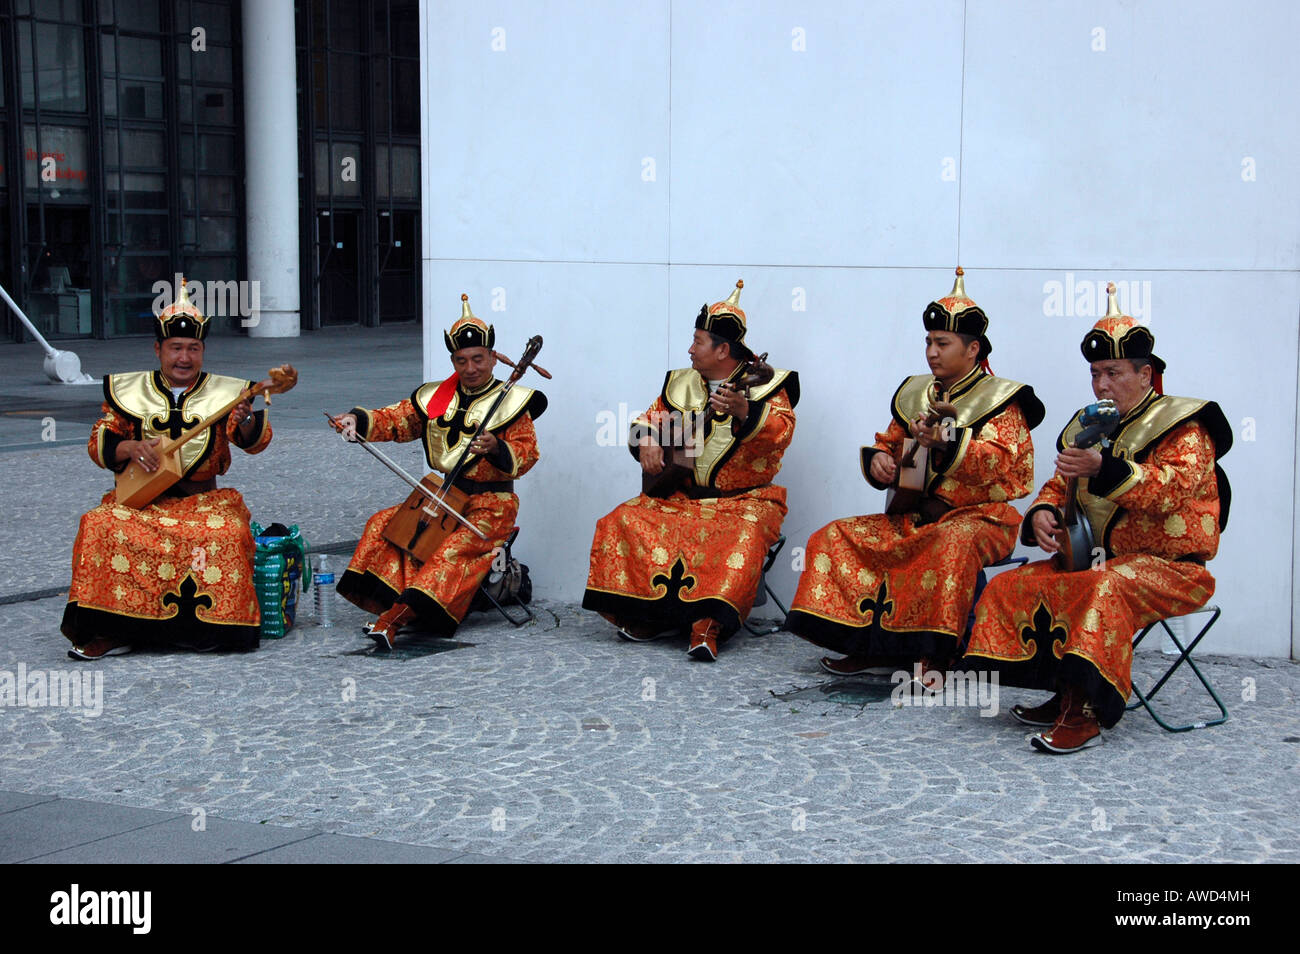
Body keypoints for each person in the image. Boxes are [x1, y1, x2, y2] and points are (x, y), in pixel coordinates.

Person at [963, 286, 1231, 753]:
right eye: (1095, 374)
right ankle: (1065, 691)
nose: (1102, 384)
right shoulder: (1087, 424)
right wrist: (1044, 513)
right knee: (1013, 585)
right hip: (1100, 561)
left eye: (1113, 373)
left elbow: (1171, 490)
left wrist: (1103, 469)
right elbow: (1056, 484)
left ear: (1145, 373)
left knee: (1101, 588)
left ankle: (1085, 713)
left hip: (1172, 568)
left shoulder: (1187, 424)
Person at [784, 269, 1044, 676]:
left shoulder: (1002, 400)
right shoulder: (915, 392)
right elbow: (889, 442)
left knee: (949, 544)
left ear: (973, 349)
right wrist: (880, 461)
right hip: (916, 515)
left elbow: (1002, 461)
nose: (932, 352)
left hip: (981, 518)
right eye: (928, 342)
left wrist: (948, 443)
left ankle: (938, 654)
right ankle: (869, 642)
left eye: (943, 343)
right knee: (833, 536)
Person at [582, 279, 800, 662]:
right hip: (683, 496)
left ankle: (709, 623)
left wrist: (745, 412)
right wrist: (647, 439)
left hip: (744, 502)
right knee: (622, 519)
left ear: (723, 349)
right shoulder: (681, 382)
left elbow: (781, 434)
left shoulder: (767, 386)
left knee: (740, 533)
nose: (690, 349)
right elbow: (646, 420)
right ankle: (649, 614)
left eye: (698, 341)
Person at [62, 279, 275, 659]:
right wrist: (129, 446)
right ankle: (111, 630)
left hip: (203, 503)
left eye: (193, 348)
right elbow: (99, 441)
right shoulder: (130, 391)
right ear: (158, 349)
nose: (184, 358)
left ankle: (215, 631)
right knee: (98, 524)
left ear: (203, 350)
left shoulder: (229, 393)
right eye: (175, 348)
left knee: (228, 533)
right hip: (144, 502)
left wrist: (243, 420)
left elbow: (256, 441)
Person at [332, 294, 546, 649]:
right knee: (384, 525)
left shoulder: (512, 403)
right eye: (461, 361)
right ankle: (397, 604)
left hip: (491, 504)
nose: (471, 368)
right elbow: (397, 419)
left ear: (493, 358)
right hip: (441, 494)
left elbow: (528, 454)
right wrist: (358, 421)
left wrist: (497, 449)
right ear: (453, 361)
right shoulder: (437, 396)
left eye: (478, 359)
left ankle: (399, 617)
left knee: (452, 548)